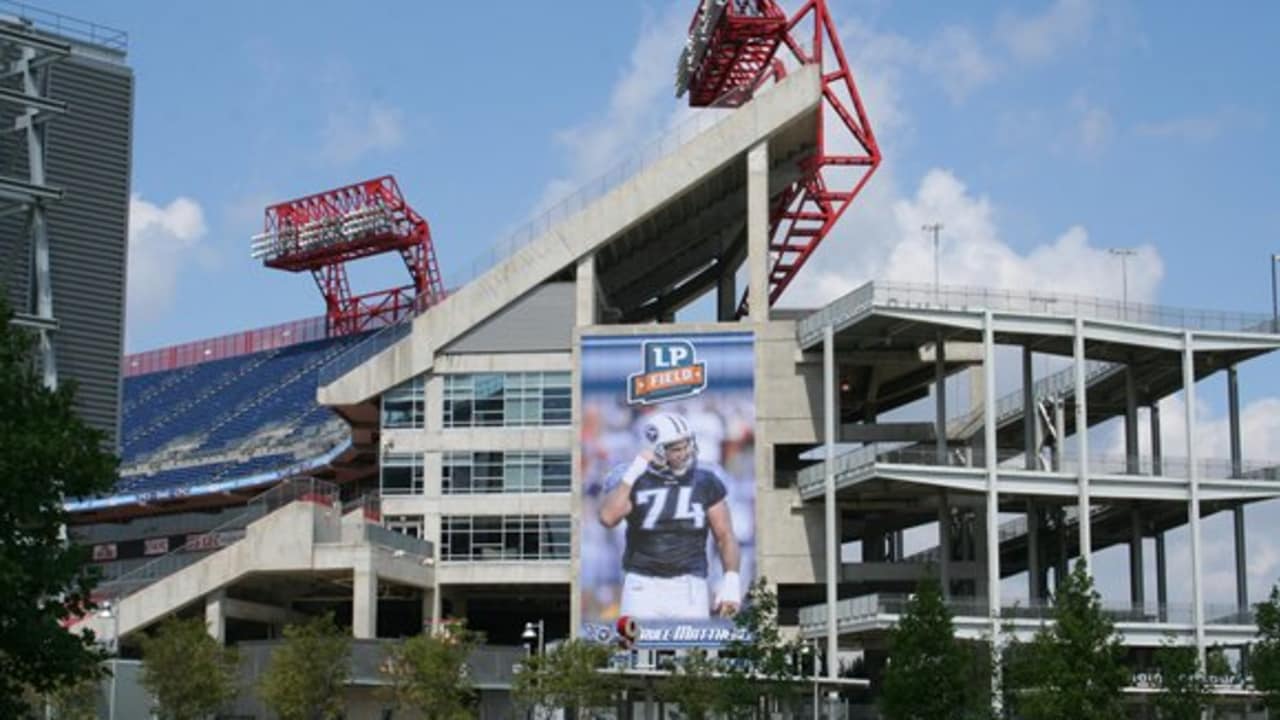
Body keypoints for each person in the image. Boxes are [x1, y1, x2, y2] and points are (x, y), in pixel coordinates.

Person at [598, 411, 741, 620]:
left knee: (692, 652)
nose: (685, 452)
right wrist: (633, 473)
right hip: (642, 584)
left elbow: (725, 534)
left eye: (687, 445)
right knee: (635, 649)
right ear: (655, 450)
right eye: (676, 448)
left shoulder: (706, 477)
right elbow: (608, 518)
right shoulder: (632, 477)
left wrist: (731, 580)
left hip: (690, 584)